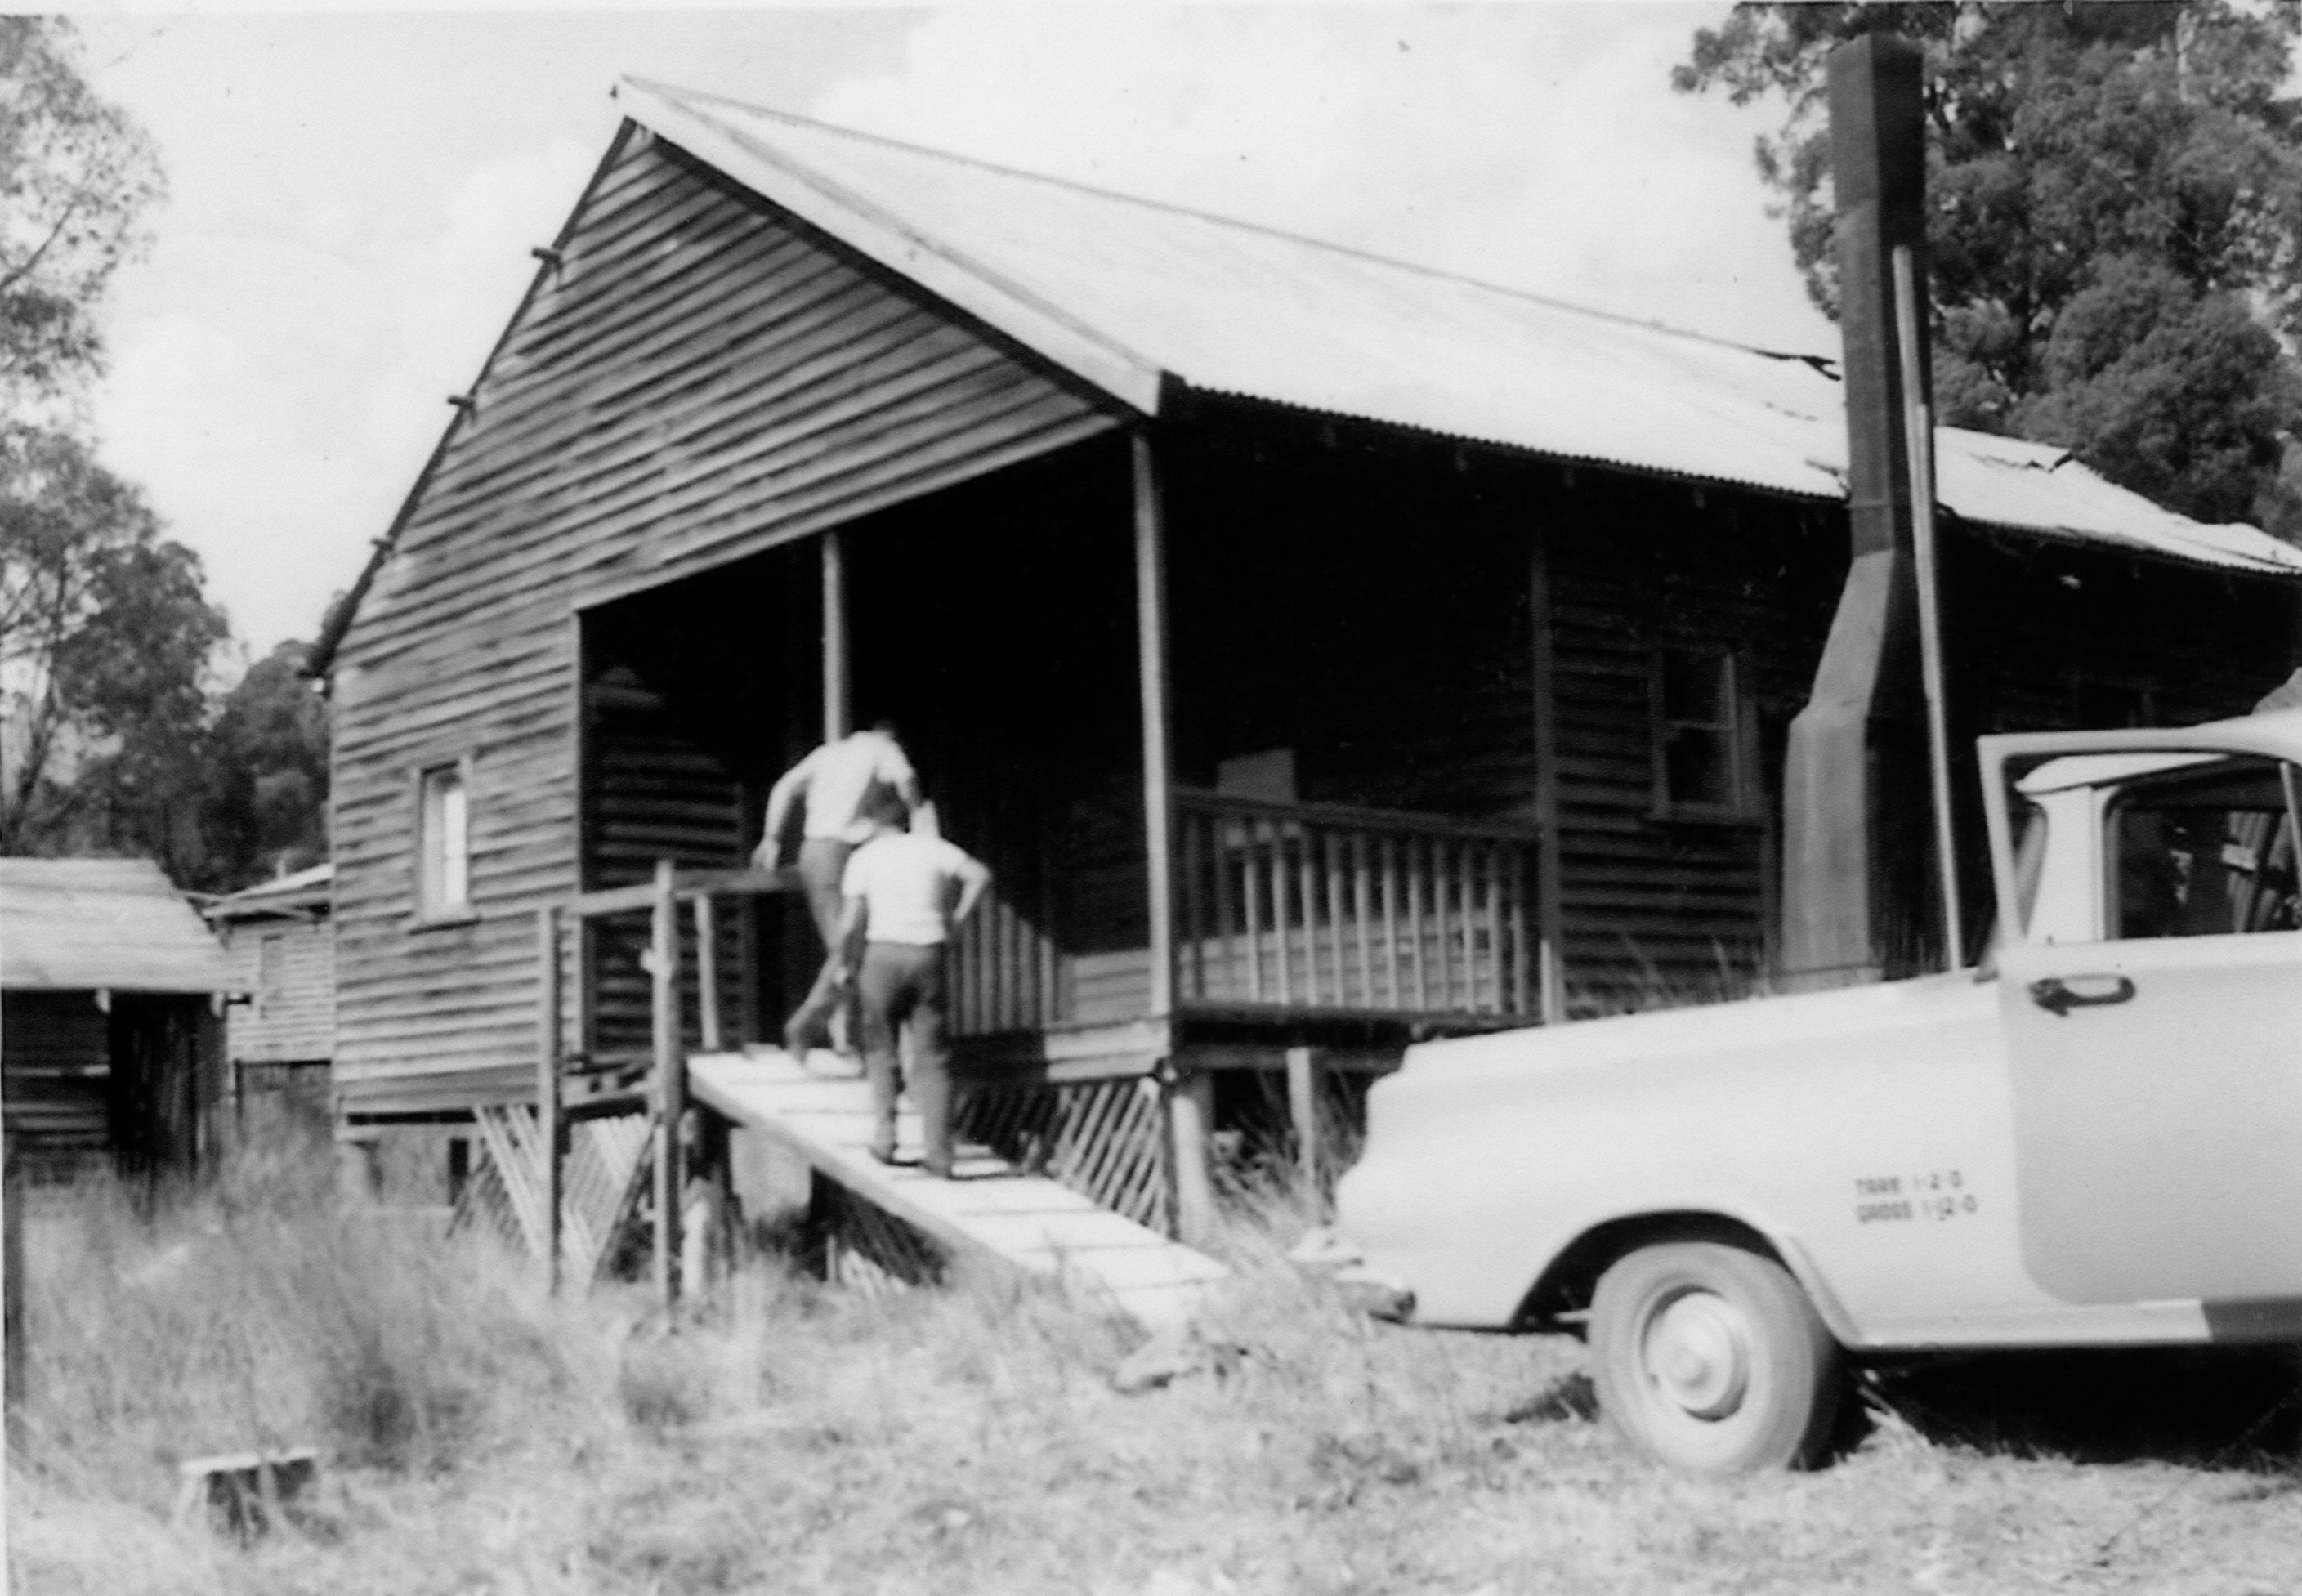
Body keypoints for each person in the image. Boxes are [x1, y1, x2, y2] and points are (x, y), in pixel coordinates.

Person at [830, 789, 990, 1178]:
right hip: (928, 955)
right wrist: (956, 919)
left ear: (871, 824)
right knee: (933, 1057)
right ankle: (940, 1154)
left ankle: (886, 1138)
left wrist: (845, 962)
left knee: (881, 1048)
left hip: (882, 956)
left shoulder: (864, 858)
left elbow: (851, 921)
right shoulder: (933, 849)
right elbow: (980, 875)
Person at [753, 721, 923, 1056]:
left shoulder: (827, 754)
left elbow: (784, 786)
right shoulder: (882, 748)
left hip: (815, 850)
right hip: (841, 852)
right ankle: (814, 1025)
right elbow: (906, 779)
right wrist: (918, 818)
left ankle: (841, 1035)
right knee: (849, 949)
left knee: (849, 948)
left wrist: (772, 836)